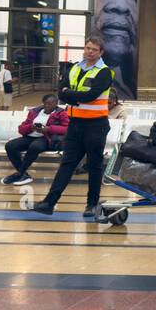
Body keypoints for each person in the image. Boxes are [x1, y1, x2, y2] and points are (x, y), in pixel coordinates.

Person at [31, 36, 114, 217]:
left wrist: (71, 94)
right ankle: (49, 203)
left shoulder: (105, 72)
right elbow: (61, 92)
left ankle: (91, 204)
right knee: (67, 164)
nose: (89, 52)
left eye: (94, 49)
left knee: (94, 165)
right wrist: (71, 94)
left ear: (101, 53)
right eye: (87, 48)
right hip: (75, 124)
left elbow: (91, 96)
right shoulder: (75, 68)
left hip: (95, 125)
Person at [2, 93, 69, 185]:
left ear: (56, 104)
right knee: (10, 146)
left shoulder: (61, 113)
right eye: (45, 103)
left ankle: (19, 173)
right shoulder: (34, 112)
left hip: (47, 138)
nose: (47, 106)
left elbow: (67, 129)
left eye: (50, 104)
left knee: (35, 146)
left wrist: (49, 129)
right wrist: (31, 127)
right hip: (30, 136)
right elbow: (21, 129)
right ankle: (24, 175)